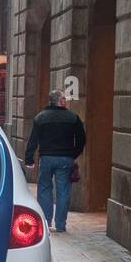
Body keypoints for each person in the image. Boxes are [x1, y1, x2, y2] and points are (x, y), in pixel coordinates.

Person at [23, 89, 86, 232]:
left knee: (44, 189)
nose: (65, 101)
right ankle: (60, 225)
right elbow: (82, 139)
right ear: (61, 101)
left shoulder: (40, 117)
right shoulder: (73, 117)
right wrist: (73, 154)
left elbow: (33, 140)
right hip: (65, 159)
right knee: (63, 191)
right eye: (64, 98)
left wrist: (29, 158)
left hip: (46, 158)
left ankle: (46, 222)